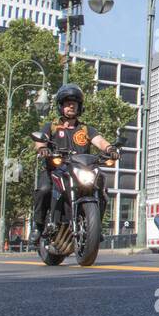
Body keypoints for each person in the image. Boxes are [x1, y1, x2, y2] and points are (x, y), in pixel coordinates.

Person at [32, 84, 118, 241]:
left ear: (80, 107)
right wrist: (42, 149)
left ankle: (95, 228)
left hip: (80, 170)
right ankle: (38, 226)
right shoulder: (51, 126)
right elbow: (40, 141)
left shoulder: (85, 129)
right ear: (61, 106)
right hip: (55, 170)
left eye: (74, 103)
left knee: (102, 188)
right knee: (44, 189)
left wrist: (110, 149)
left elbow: (99, 141)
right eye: (67, 103)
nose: (71, 106)